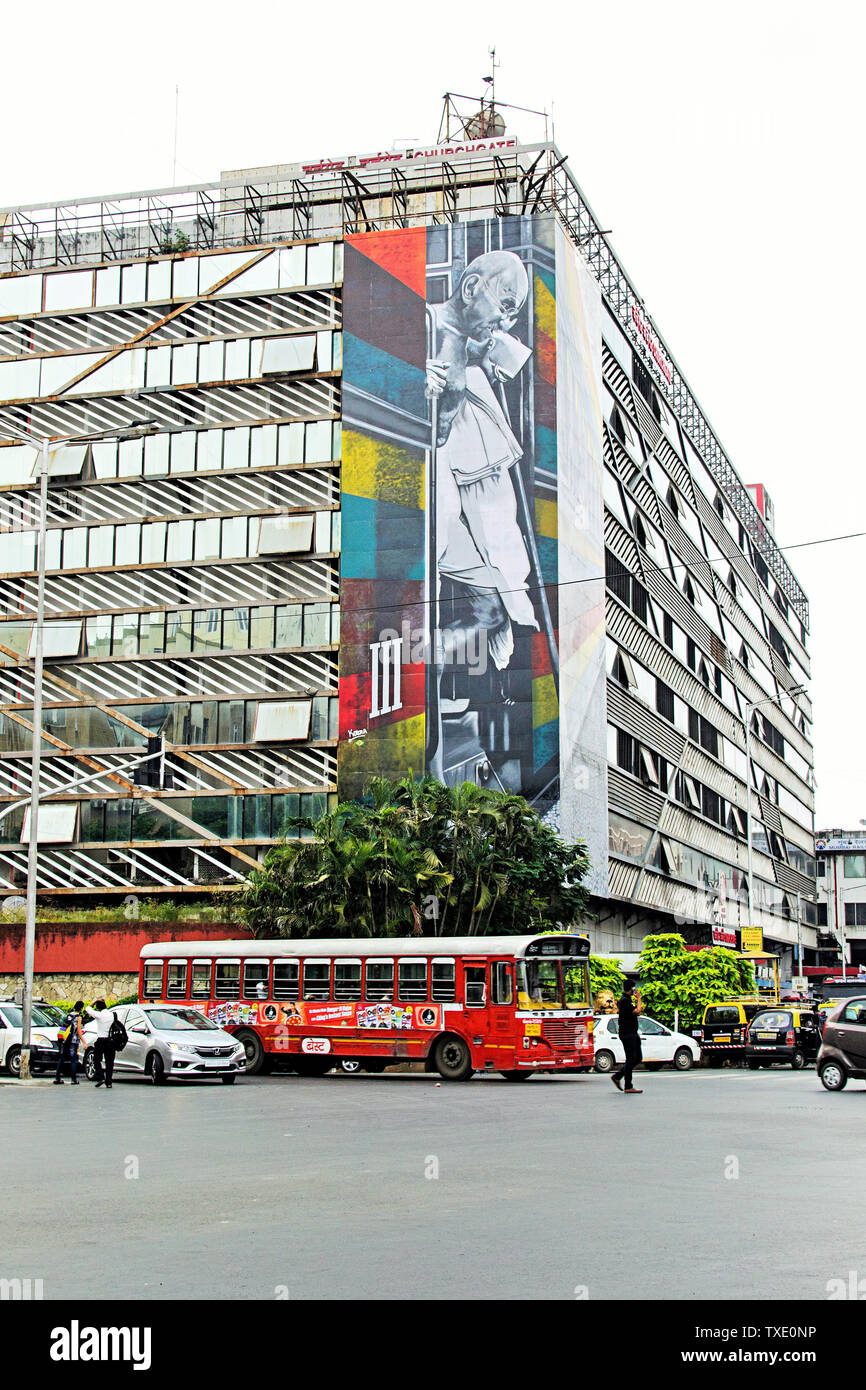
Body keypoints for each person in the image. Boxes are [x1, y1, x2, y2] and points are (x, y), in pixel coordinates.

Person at [425, 251, 539, 692]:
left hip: (459, 500)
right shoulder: (422, 325)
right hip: (421, 505)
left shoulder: (479, 345)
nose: (506, 323)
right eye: (505, 307)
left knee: (494, 604)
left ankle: (429, 660)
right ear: (472, 288)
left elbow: (507, 355)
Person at [611, 980, 643, 1094]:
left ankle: (618, 1076)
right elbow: (638, 1011)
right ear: (631, 989)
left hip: (632, 1033)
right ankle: (627, 1085)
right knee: (631, 1059)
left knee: (638, 1058)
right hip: (628, 1033)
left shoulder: (626, 1000)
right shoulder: (624, 1001)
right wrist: (639, 998)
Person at [53, 1000, 85, 1085]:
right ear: (81, 1008)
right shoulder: (78, 1017)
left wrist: (61, 1037)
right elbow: (78, 1031)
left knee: (62, 1058)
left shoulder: (69, 1015)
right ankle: (73, 1079)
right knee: (73, 1059)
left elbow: (63, 1027)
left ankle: (57, 1078)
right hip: (73, 1041)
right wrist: (84, 1042)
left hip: (65, 1040)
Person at [91, 999, 118, 1089]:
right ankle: (109, 1082)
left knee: (96, 1059)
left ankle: (101, 1077)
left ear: (98, 1008)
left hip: (101, 1040)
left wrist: (95, 1001)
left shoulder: (99, 1014)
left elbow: (87, 1008)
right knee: (110, 1062)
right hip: (111, 1041)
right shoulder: (112, 1014)